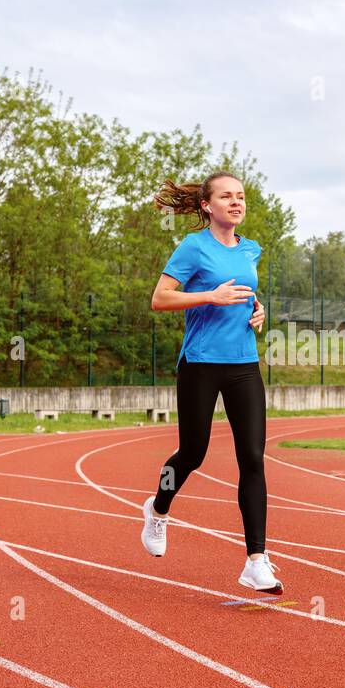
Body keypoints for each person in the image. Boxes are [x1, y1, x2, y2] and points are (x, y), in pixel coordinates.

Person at [139, 171, 281, 594]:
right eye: (227, 196)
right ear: (207, 206)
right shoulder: (192, 247)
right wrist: (209, 296)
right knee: (193, 452)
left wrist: (258, 309)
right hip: (200, 362)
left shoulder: (250, 248)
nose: (236, 202)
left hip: (243, 363)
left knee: (252, 458)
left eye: (241, 196)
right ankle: (158, 509)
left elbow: (247, 292)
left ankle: (256, 559)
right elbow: (160, 298)